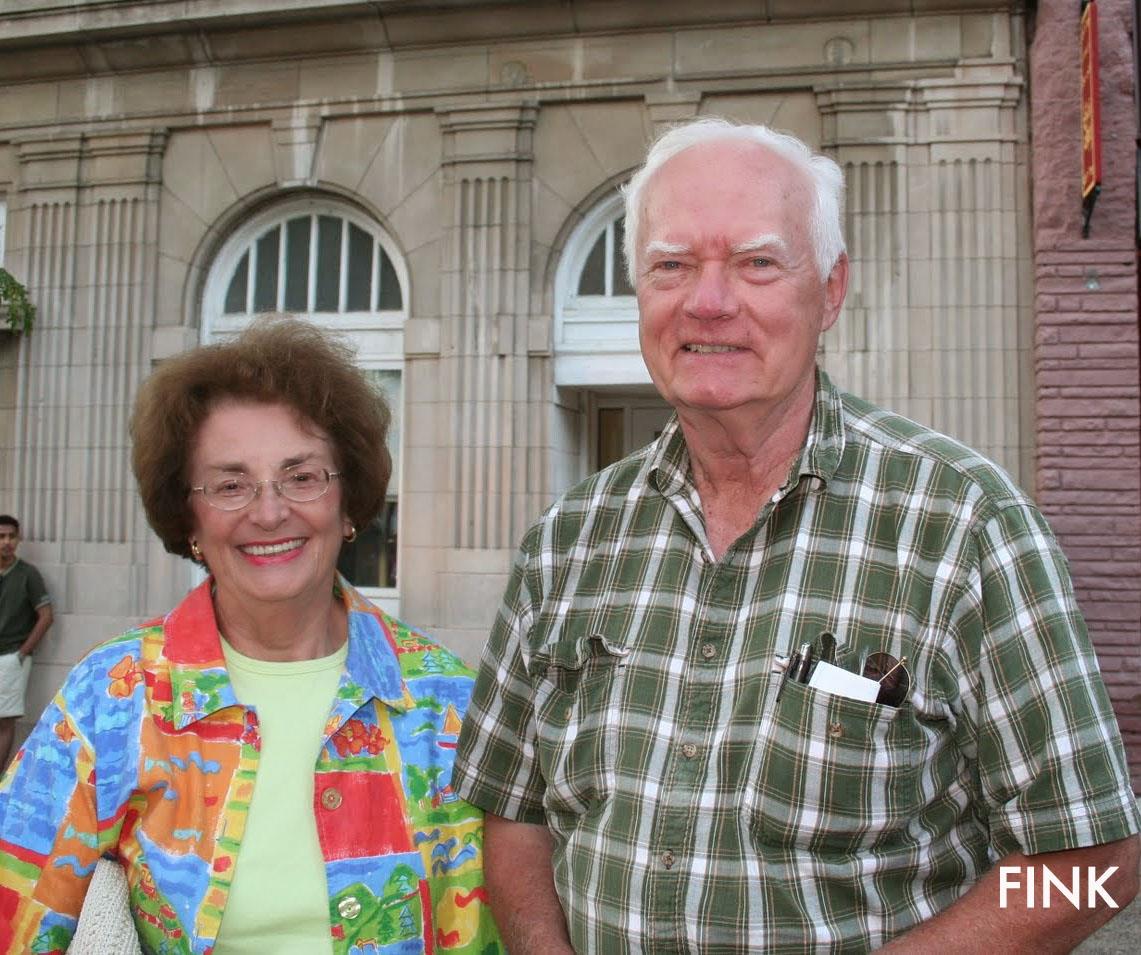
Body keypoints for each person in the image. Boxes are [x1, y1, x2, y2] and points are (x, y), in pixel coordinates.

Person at [451, 118, 1141, 953]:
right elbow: (512, 811)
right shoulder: (563, 544)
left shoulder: (965, 527)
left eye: (756, 262)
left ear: (831, 289)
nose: (708, 301)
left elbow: (1098, 863)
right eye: (671, 265)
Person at [0, 319, 502, 955]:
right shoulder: (114, 698)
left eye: (301, 476)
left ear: (349, 504)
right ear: (189, 519)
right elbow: (14, 906)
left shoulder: (446, 701)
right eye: (231, 484)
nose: (269, 512)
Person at [0, 514, 53, 770]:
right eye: (1, 537)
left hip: (11, 657)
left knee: (5, 721)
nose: (6, 542)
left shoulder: (27, 574)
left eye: (11, 536)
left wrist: (22, 653)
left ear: (18, 539)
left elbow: (46, 616)